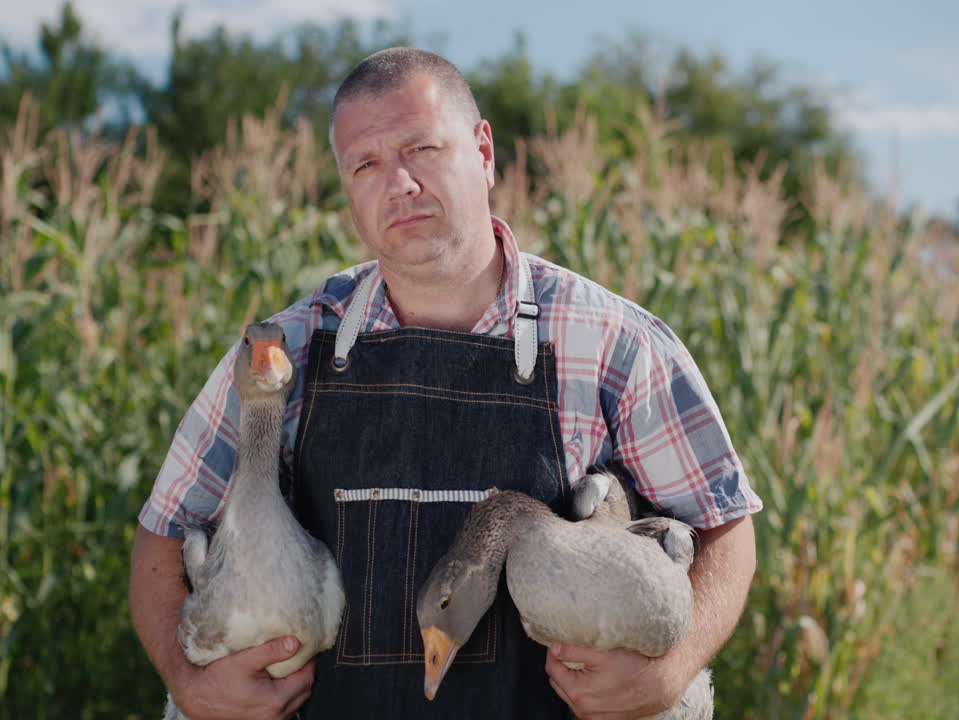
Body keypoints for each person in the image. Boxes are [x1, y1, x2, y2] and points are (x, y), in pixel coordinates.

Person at [129, 47, 762, 720]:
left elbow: (725, 530)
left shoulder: (612, 343)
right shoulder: (285, 351)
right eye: (365, 165)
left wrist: (672, 669)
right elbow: (164, 534)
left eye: (420, 149)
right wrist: (189, 683)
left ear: (483, 151)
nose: (397, 183)